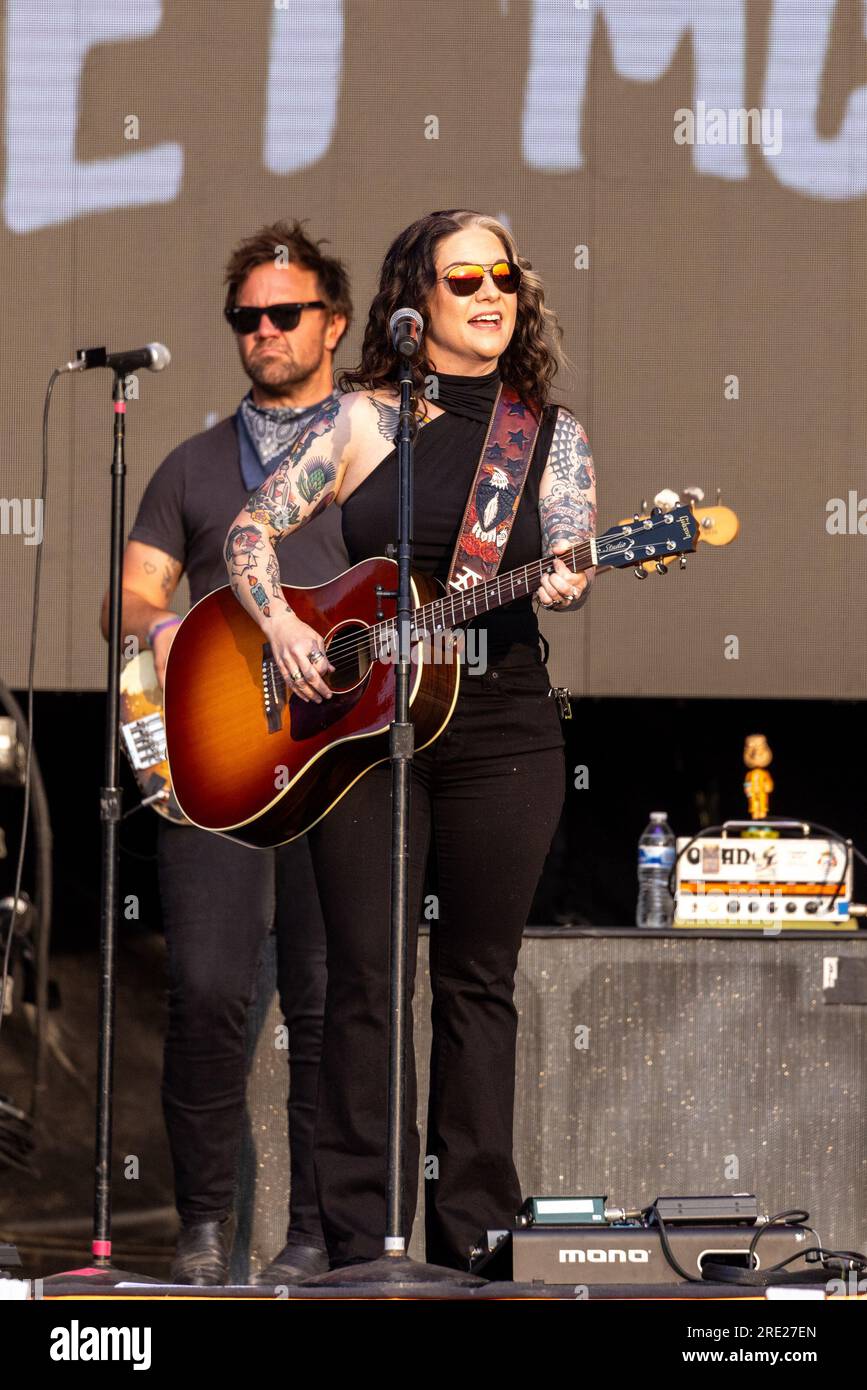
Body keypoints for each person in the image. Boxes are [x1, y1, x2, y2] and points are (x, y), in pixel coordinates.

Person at [223, 209, 597, 1271]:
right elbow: (253, 529)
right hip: (363, 733)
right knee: (367, 979)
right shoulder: (353, 423)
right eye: (465, 276)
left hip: (502, 731)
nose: (491, 293)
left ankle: (477, 1237)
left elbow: (566, 565)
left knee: (479, 981)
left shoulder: (548, 435)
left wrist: (569, 577)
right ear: (414, 301)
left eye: (506, 277)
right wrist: (285, 622)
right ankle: (361, 1242)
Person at [101, 220, 352, 1285]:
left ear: (334, 324)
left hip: (343, 765)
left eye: (284, 314)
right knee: (205, 986)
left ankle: (313, 1231)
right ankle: (203, 1223)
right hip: (219, 764)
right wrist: (160, 627)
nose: (262, 332)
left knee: (331, 998)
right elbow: (130, 592)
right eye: (245, 318)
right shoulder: (192, 465)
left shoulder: (374, 455)